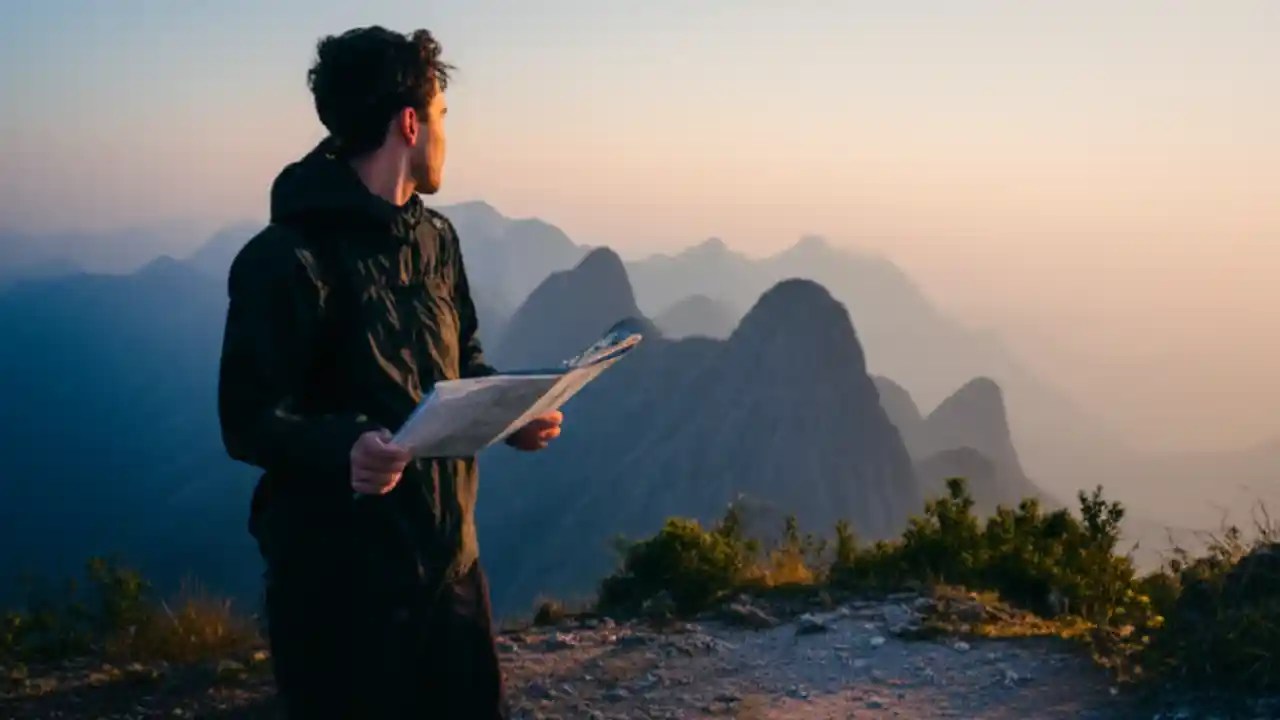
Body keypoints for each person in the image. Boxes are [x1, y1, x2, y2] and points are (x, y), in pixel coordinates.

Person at [216, 26, 560, 718]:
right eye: (441, 117)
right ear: (409, 123)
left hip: (450, 570)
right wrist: (344, 446)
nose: (445, 136)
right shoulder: (286, 258)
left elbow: (463, 361)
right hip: (339, 593)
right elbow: (247, 420)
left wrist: (513, 415)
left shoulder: (437, 240)